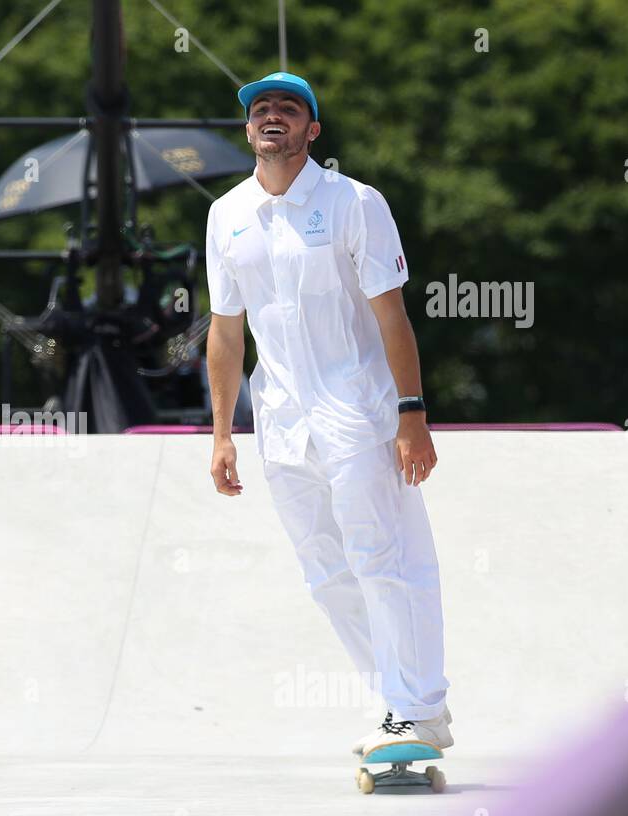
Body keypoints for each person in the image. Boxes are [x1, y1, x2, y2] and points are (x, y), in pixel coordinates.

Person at [204, 71, 452, 758]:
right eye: (260, 109)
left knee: (382, 554)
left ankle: (415, 704)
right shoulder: (226, 215)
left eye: (288, 108)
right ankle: (402, 706)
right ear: (248, 130)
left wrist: (412, 414)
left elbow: (391, 314)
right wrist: (223, 434)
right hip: (279, 419)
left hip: (357, 408)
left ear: (312, 130)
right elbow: (226, 332)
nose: (271, 115)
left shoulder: (354, 202)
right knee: (325, 570)